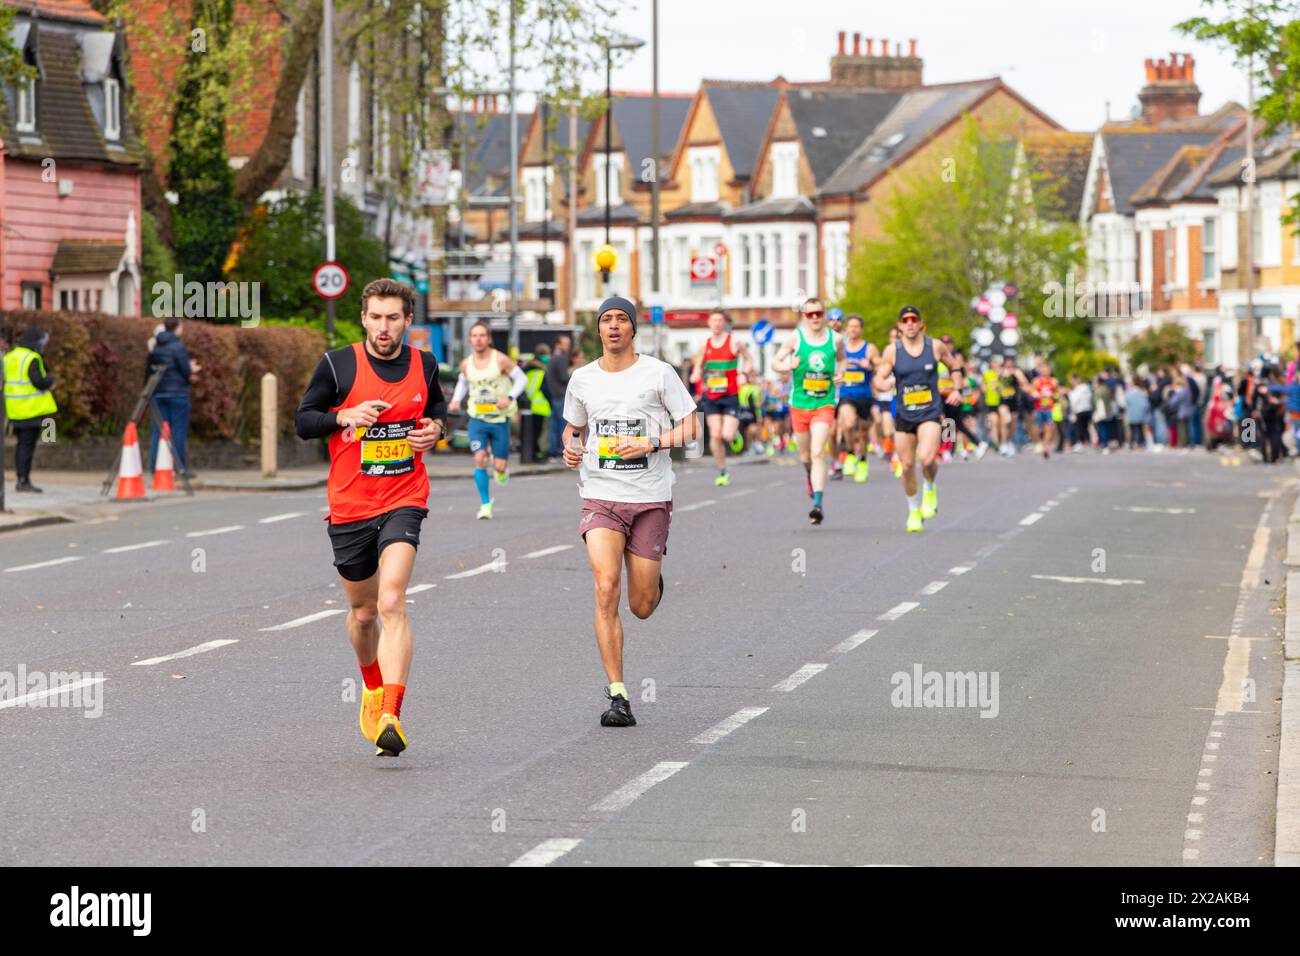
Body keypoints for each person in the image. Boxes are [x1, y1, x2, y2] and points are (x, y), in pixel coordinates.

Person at [295, 278, 446, 757]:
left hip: (405, 496)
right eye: (376, 317)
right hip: (350, 505)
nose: (384, 327)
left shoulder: (424, 364)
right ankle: (372, 683)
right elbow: (303, 420)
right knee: (363, 614)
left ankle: (391, 716)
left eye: (393, 318)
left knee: (392, 600)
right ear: (363, 318)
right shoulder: (338, 365)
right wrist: (344, 416)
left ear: (408, 320)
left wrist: (435, 430)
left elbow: (436, 409)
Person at [561, 296, 698, 728]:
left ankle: (651, 582)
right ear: (599, 329)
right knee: (606, 587)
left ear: (633, 328)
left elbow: (691, 427)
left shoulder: (658, 373)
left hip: (650, 496)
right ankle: (618, 694)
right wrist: (571, 447)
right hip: (601, 495)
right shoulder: (582, 379)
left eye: (622, 319)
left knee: (640, 605)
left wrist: (651, 442)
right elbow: (573, 428)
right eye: (607, 319)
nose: (615, 325)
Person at [873, 306, 964, 532]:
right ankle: (914, 510)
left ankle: (930, 486)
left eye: (914, 319)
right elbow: (879, 377)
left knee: (926, 459)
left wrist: (957, 389)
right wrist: (883, 383)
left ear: (921, 323)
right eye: (905, 320)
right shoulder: (893, 351)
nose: (910, 323)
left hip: (930, 412)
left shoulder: (935, 346)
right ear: (900, 326)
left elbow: (955, 367)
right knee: (906, 466)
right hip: (905, 414)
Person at [772, 297, 844, 525]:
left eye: (818, 314)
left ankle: (818, 505)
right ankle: (809, 475)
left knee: (817, 452)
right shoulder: (796, 337)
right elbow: (775, 362)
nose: (815, 318)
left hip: (824, 403)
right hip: (799, 404)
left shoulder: (836, 339)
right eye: (810, 314)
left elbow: (842, 360)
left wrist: (840, 374)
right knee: (805, 456)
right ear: (804, 316)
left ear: (824, 315)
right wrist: (787, 366)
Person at [448, 321, 527, 519]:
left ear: (489, 339)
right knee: (479, 458)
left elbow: (522, 379)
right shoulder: (466, 364)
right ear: (470, 340)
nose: (478, 339)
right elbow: (462, 382)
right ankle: (485, 504)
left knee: (499, 466)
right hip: (477, 418)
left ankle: (500, 468)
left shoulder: (500, 360)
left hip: (499, 419)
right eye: (474, 336)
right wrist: (456, 400)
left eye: (482, 335)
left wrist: (509, 397)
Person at [688, 309, 754, 486]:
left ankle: (734, 434)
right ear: (709, 323)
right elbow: (699, 364)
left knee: (727, 435)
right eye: (714, 320)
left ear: (724, 323)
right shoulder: (705, 344)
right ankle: (723, 471)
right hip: (712, 395)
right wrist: (696, 373)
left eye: (720, 320)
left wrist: (744, 374)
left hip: (730, 394)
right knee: (715, 435)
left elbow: (749, 360)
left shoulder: (734, 342)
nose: (717, 324)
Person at [3, 327, 57, 493]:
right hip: (30, 409)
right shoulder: (31, 358)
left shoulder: (10, 356)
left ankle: (22, 479)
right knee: (26, 446)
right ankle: (23, 481)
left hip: (14, 409)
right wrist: (50, 380)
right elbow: (38, 382)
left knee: (21, 445)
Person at [147, 316, 200, 478]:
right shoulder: (178, 346)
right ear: (177, 327)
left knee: (158, 430)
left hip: (158, 393)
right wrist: (191, 370)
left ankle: (155, 467)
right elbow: (185, 370)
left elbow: (151, 369)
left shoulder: (156, 346)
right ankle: (179, 467)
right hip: (177, 394)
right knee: (178, 431)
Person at [833, 314, 878, 483]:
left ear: (861, 329)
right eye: (850, 326)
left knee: (863, 433)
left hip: (864, 395)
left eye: (856, 326)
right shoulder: (841, 348)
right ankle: (851, 453)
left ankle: (863, 461)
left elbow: (881, 365)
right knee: (848, 423)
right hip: (847, 394)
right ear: (846, 329)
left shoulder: (869, 348)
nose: (853, 329)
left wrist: (871, 365)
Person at [544, 334, 574, 459]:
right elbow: (564, 377)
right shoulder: (560, 359)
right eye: (565, 343)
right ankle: (562, 450)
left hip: (554, 396)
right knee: (563, 425)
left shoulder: (552, 358)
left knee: (554, 425)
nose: (568, 346)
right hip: (561, 396)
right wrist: (574, 376)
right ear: (558, 344)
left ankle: (553, 450)